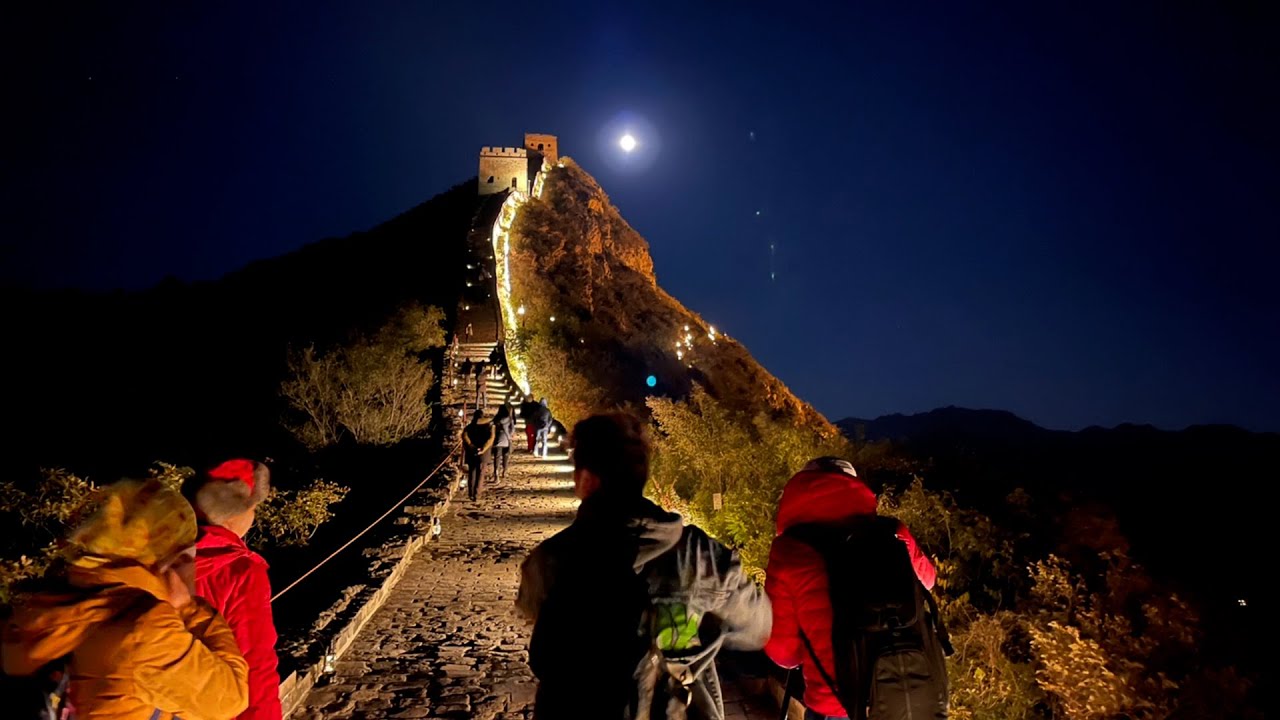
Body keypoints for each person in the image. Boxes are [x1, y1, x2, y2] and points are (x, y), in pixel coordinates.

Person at [517, 414, 770, 720]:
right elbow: (759, 627)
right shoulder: (702, 557)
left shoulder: (548, 560)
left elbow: (542, 637)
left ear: (586, 480)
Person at [2, 478, 250, 719]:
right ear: (172, 560)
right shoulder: (145, 628)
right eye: (189, 554)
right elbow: (230, 699)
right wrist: (190, 609)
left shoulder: (45, 604)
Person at [764, 458, 940, 720]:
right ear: (855, 487)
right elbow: (928, 580)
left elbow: (784, 654)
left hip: (837, 705)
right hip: (907, 693)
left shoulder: (789, 551)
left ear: (800, 490)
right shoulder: (893, 532)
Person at [183, 459, 282, 720]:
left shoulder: (154, 555)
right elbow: (256, 664)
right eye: (253, 508)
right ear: (235, 514)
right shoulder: (240, 571)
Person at [462, 409, 495, 501]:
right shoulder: (489, 426)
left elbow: (464, 436)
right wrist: (483, 448)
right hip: (483, 454)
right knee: (480, 474)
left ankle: (471, 493)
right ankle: (477, 494)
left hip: (472, 452)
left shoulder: (469, 427)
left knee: (472, 472)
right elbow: (491, 439)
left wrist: (471, 446)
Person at [492, 403, 515, 482]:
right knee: (506, 456)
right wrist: (509, 435)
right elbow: (512, 429)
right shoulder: (509, 419)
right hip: (506, 439)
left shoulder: (496, 418)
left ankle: (496, 473)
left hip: (497, 439)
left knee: (497, 457)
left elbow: (492, 427)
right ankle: (504, 471)